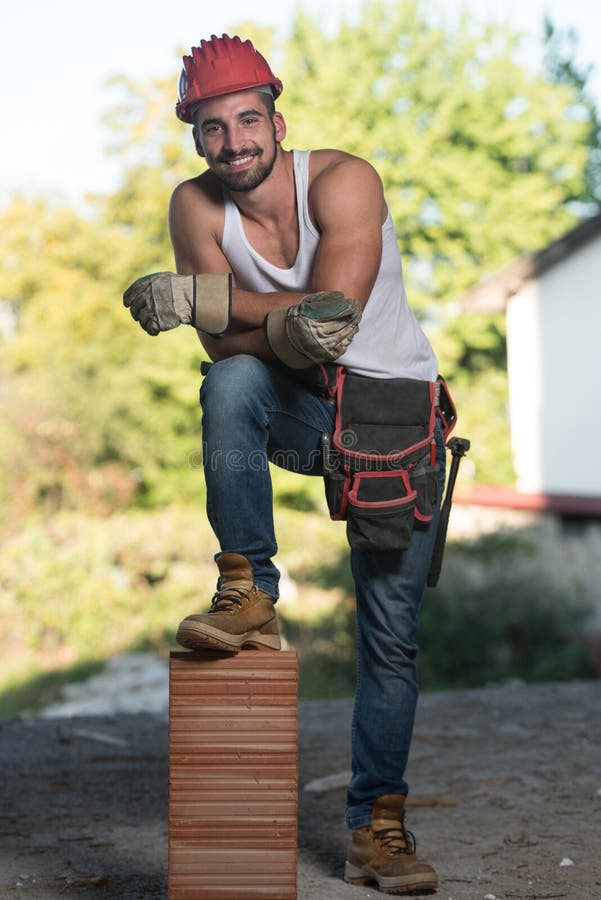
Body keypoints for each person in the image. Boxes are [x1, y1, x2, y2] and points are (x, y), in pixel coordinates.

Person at [123, 33, 449, 896]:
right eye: (213, 128)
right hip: (297, 412)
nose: (234, 144)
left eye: (248, 120)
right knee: (230, 380)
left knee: (388, 638)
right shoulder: (195, 207)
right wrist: (243, 314)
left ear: (277, 118)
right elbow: (227, 338)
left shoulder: (344, 181)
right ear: (195, 135)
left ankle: (375, 828)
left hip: (391, 423)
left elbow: (332, 322)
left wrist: (212, 294)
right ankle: (248, 588)